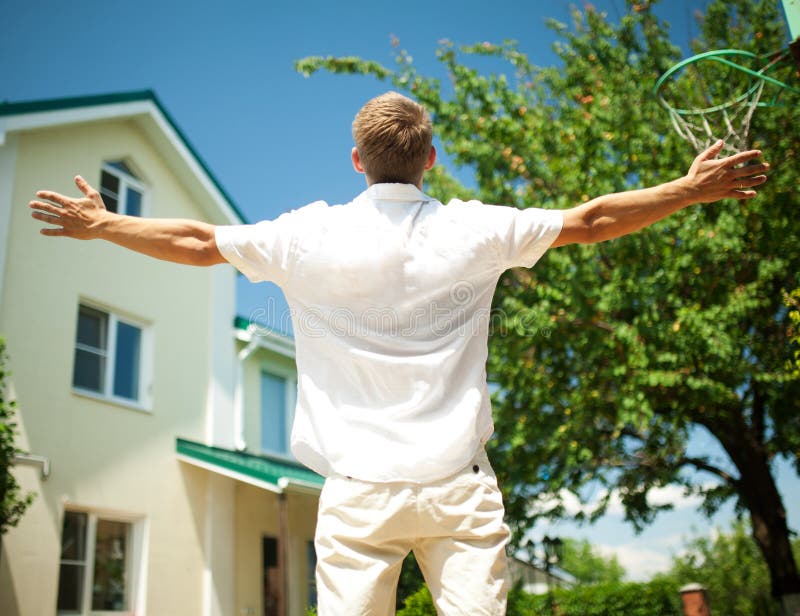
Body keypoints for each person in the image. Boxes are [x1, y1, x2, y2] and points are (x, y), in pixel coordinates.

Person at [30, 91, 768, 615]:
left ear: (356, 160)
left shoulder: (306, 235)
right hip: (459, 488)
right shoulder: (476, 230)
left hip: (358, 493)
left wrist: (104, 225)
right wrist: (690, 189)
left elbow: (196, 243)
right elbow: (595, 219)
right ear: (431, 159)